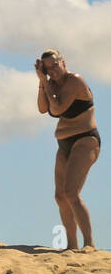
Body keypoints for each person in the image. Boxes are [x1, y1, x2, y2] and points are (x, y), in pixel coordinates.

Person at [36, 49, 98, 251]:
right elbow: (43, 108)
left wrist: (46, 84)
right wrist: (42, 83)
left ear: (63, 62)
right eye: (48, 68)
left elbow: (57, 109)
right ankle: (72, 246)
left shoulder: (75, 81)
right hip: (64, 144)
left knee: (71, 193)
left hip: (85, 140)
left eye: (55, 65)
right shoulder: (51, 83)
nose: (53, 70)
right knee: (60, 196)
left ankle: (89, 244)